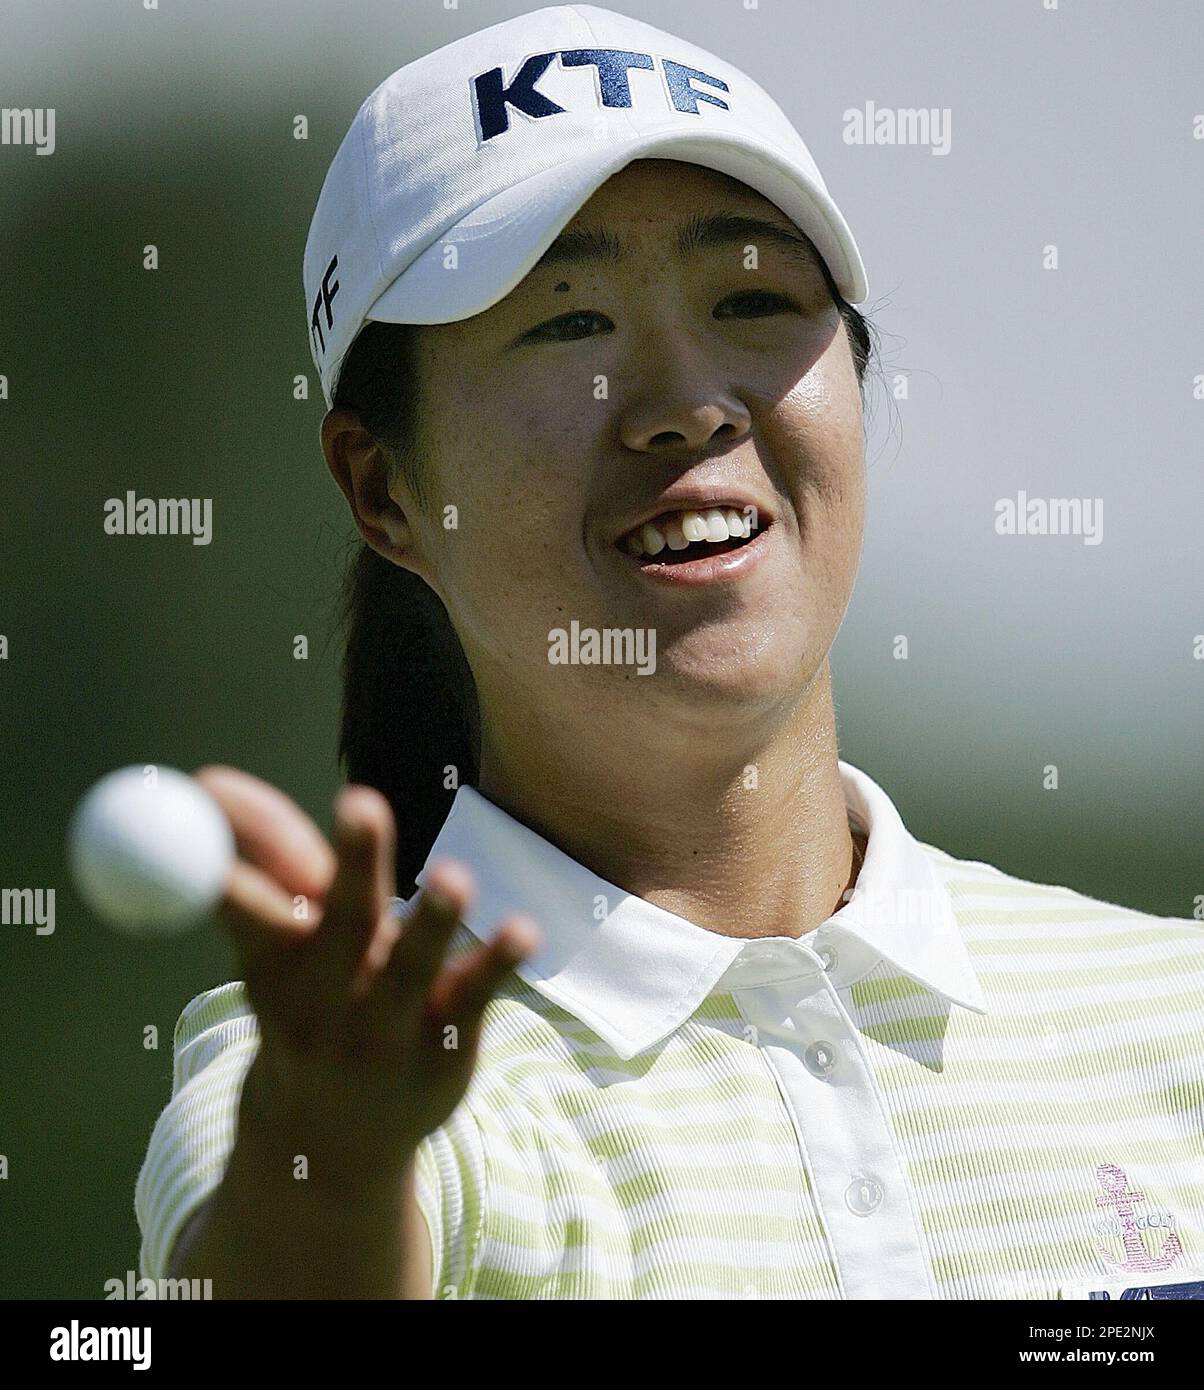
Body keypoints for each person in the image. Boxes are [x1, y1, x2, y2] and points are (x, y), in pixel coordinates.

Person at [135, 5, 1204, 1300]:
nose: (689, 402)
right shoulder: (322, 1083)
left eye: (753, 297)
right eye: (569, 323)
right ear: (383, 490)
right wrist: (338, 1160)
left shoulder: (1171, 1008)